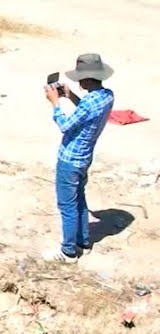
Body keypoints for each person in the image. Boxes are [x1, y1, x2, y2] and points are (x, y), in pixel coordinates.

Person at [43, 53, 116, 263]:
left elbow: (65, 125)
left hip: (70, 159)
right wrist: (70, 96)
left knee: (67, 205)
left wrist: (55, 103)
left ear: (85, 79)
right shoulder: (106, 96)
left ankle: (68, 251)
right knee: (80, 199)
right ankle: (83, 240)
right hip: (85, 157)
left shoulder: (89, 103)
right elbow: (87, 111)